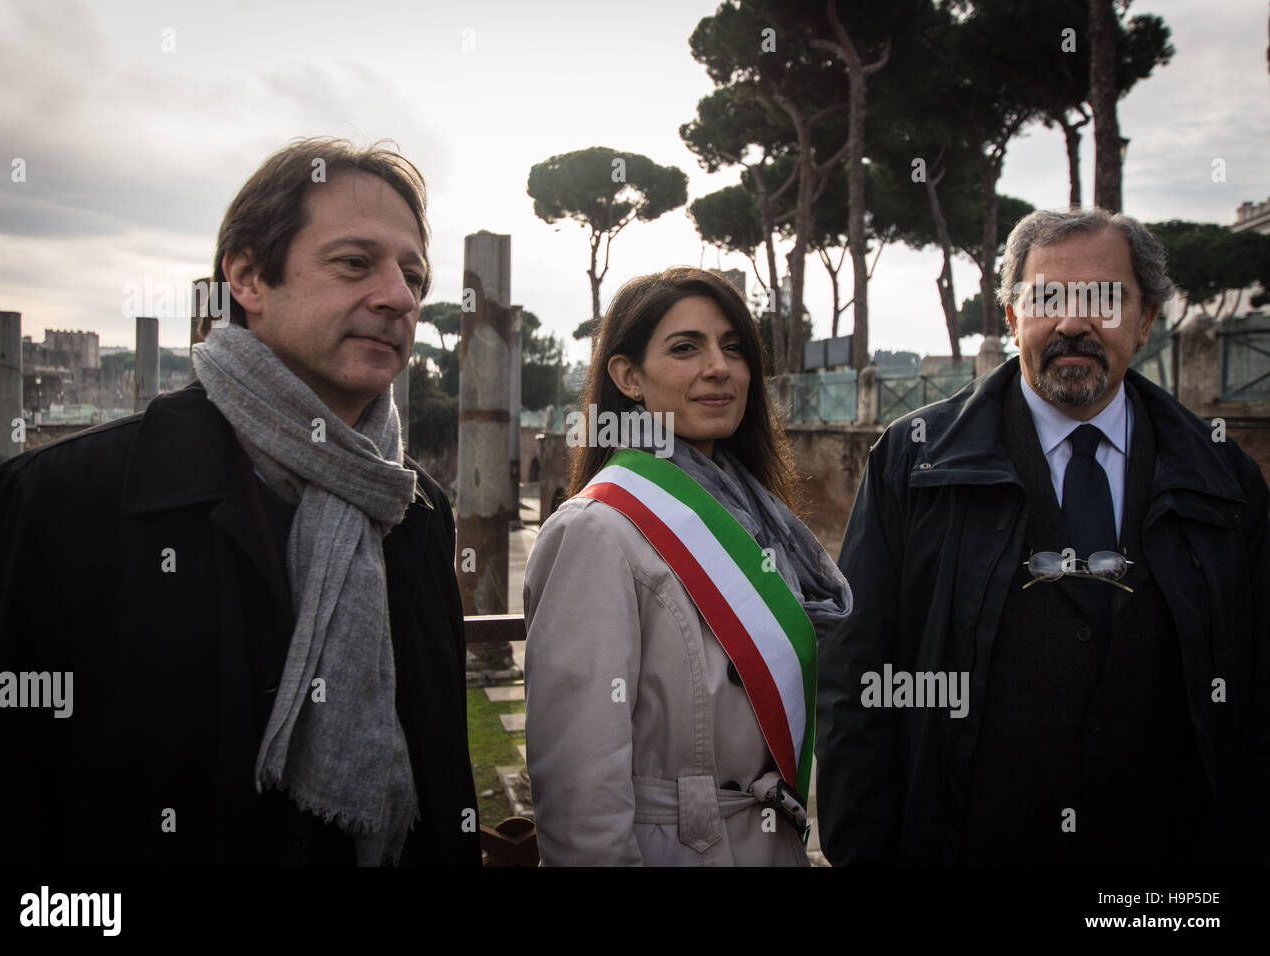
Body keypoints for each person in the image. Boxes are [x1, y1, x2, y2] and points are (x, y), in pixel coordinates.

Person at [0, 137, 480, 866]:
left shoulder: (415, 510)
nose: (398, 296)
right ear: (246, 276)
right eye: (354, 263)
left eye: (413, 274)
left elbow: (440, 769)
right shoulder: (51, 505)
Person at [816, 208, 1270, 866]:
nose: (1075, 322)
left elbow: (1255, 692)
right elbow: (858, 677)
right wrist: (864, 851)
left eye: (1105, 299)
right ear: (1011, 317)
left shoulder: (1223, 480)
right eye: (1048, 297)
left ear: (1147, 321)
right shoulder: (913, 464)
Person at [523, 267, 852, 865]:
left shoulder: (760, 515)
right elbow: (580, 796)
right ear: (627, 377)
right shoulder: (595, 530)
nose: (719, 368)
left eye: (733, 348)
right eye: (685, 348)